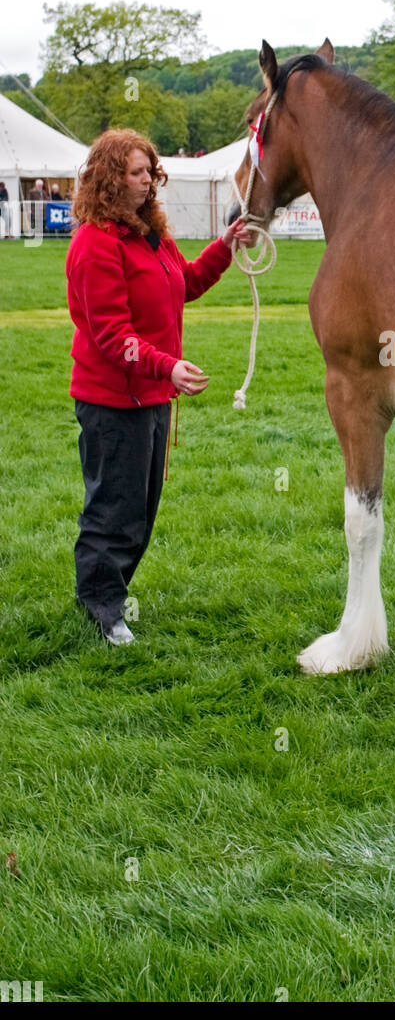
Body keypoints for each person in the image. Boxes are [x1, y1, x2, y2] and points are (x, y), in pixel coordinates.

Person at [66, 128, 253, 645]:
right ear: (109, 178)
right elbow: (110, 334)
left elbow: (185, 282)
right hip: (111, 400)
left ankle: (110, 593)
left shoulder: (152, 234)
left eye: (150, 170)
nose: (148, 181)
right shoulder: (95, 243)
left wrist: (225, 247)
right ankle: (101, 606)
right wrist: (166, 366)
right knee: (114, 509)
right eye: (135, 171)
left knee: (141, 508)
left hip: (150, 396)